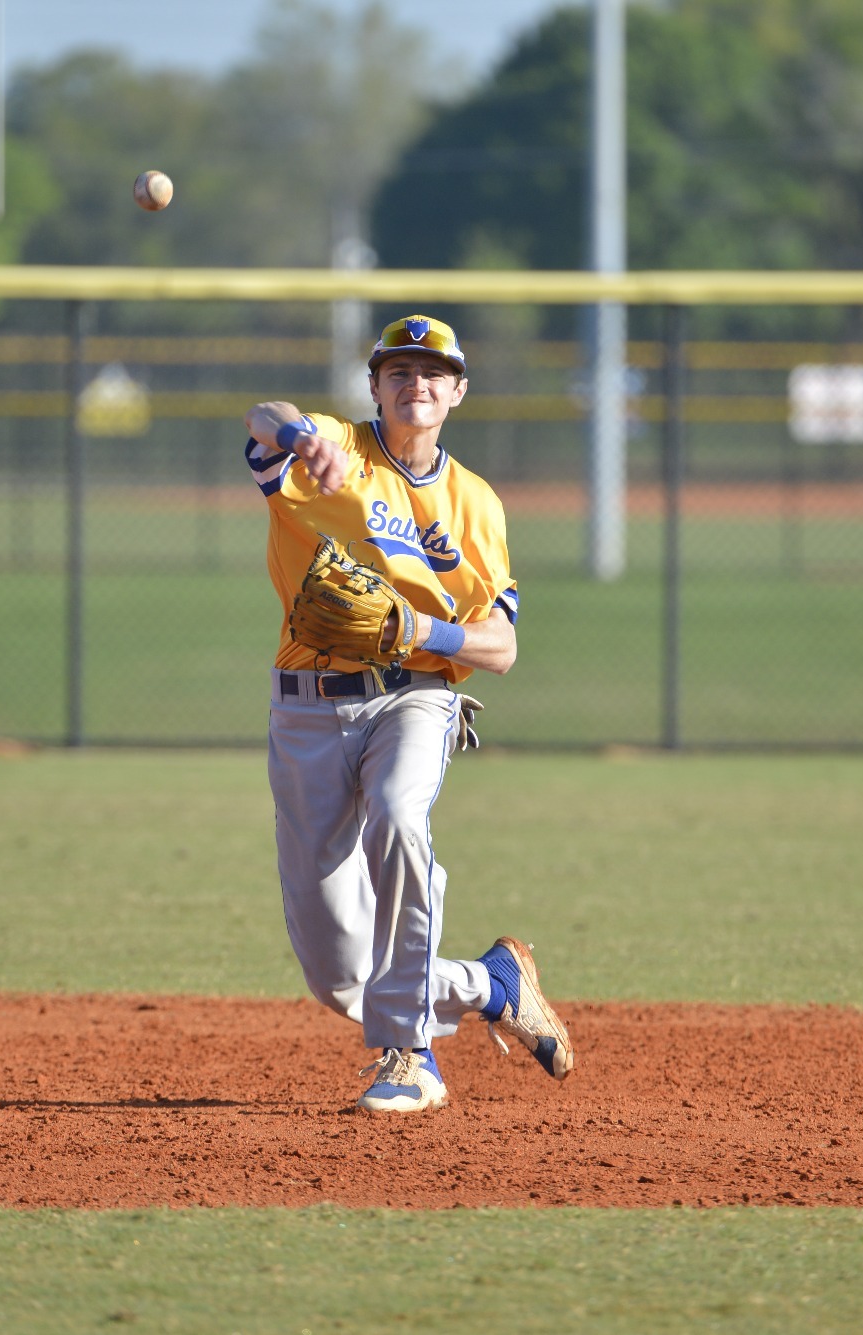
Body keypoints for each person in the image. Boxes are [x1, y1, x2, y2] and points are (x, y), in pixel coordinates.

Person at [241, 314, 575, 1113]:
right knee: (339, 976)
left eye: (433, 371)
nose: (415, 382)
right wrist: (297, 433)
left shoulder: (475, 503)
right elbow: (262, 416)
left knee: (398, 813)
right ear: (375, 387)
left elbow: (501, 646)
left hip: (415, 693)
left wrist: (420, 630)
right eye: (398, 369)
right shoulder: (337, 451)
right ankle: (492, 984)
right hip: (308, 713)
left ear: (458, 391)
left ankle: (411, 1057)